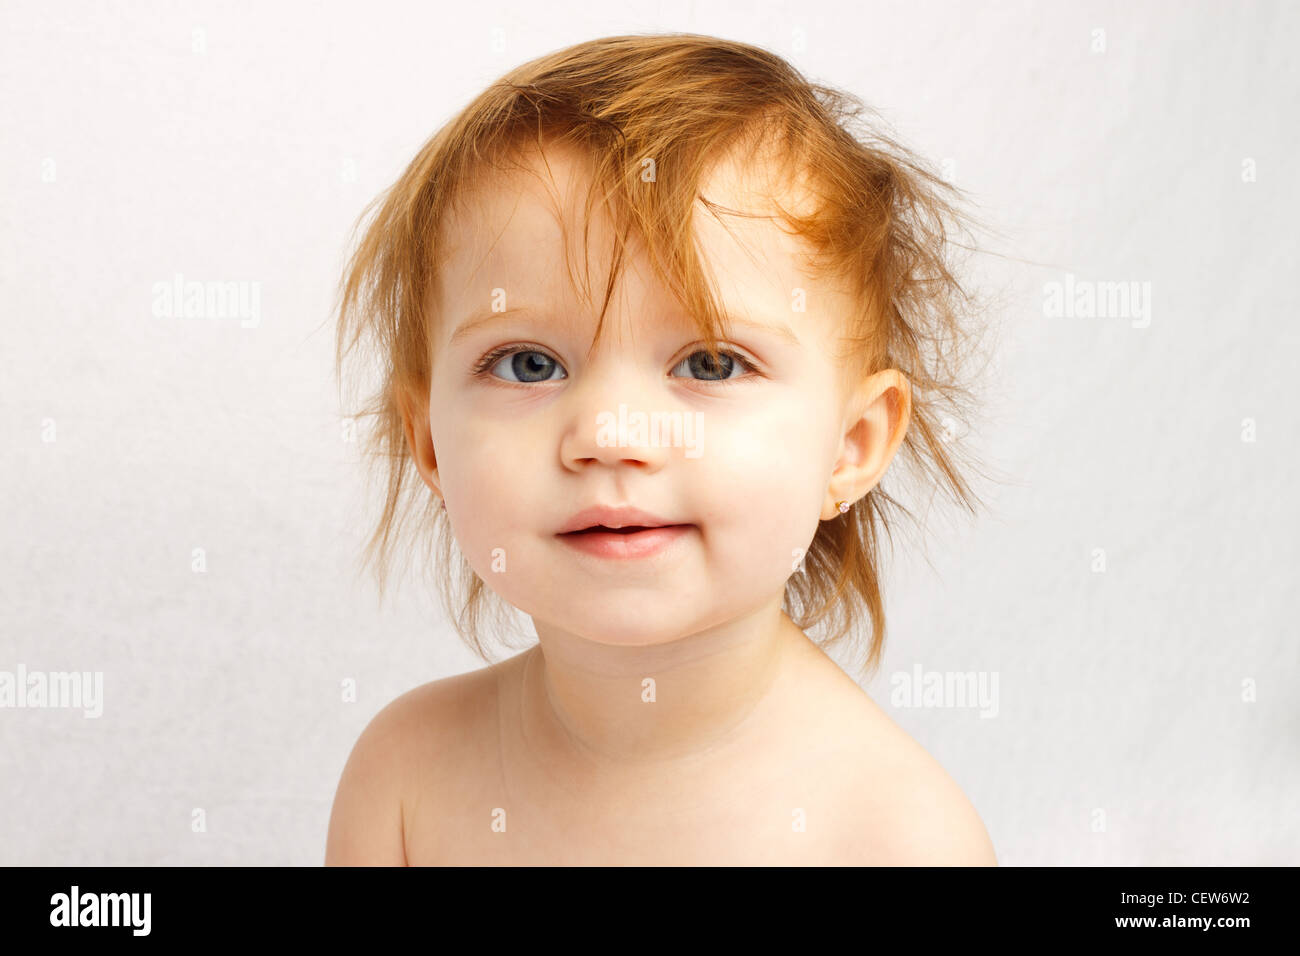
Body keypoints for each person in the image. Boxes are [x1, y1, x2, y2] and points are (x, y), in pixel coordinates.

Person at [325, 33, 998, 865]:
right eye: (529, 364)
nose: (610, 435)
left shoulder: (892, 837)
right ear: (427, 445)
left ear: (850, 445)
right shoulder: (407, 778)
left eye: (710, 363)